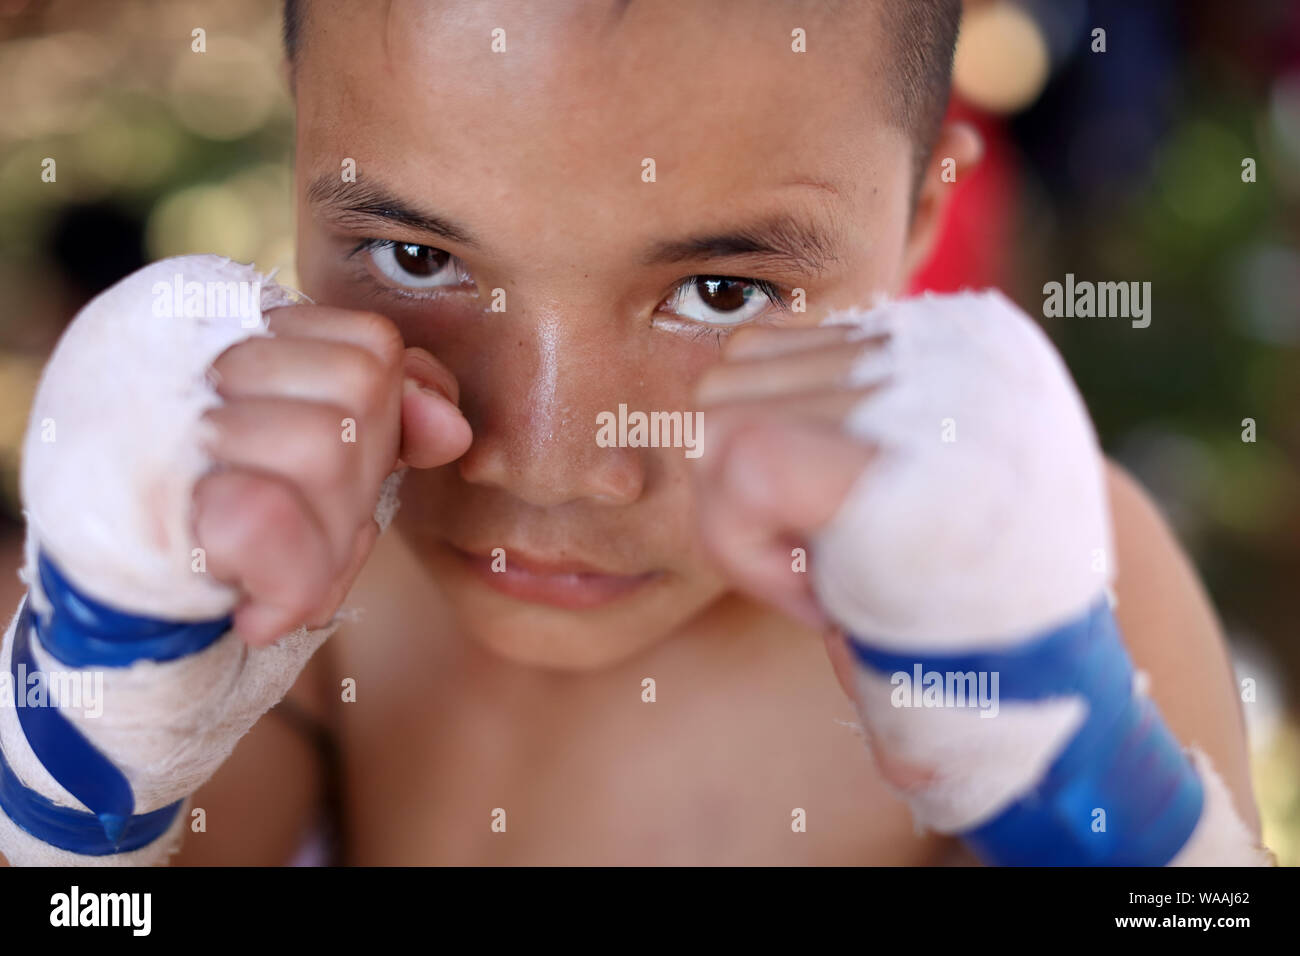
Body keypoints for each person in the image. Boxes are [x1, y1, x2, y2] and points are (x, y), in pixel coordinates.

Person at [0, 0, 1269, 866]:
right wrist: (84, 733)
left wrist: (1105, 797)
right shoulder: (271, 561)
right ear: (303, 143)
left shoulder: (1046, 575)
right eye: (414, 254)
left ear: (922, 219)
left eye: (722, 291)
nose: (547, 461)